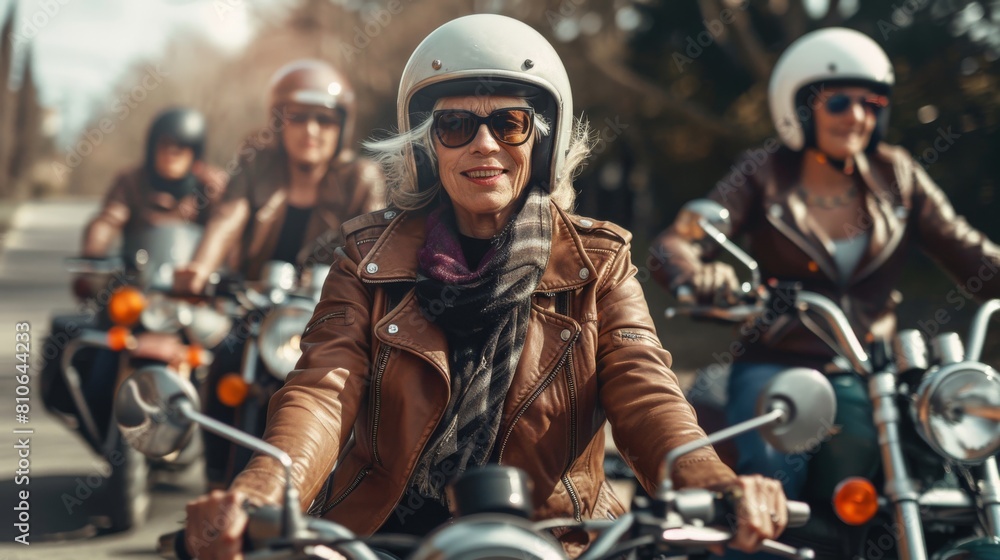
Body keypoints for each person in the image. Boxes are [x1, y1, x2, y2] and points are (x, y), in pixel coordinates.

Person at [184, 15, 787, 560]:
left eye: (510, 121)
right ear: (427, 146)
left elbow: (646, 392)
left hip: (556, 540)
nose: (484, 144)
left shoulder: (598, 263)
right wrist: (265, 485)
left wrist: (711, 480)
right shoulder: (366, 260)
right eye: (454, 125)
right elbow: (323, 389)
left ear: (542, 140)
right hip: (387, 538)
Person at [653, 27, 1000, 558]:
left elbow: (966, 248)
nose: (857, 116)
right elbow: (683, 240)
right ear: (801, 106)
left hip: (873, 370)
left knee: (956, 446)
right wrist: (697, 272)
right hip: (779, 360)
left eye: (871, 102)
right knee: (770, 473)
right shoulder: (763, 173)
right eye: (839, 101)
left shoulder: (896, 174)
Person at [174, 59, 385, 294]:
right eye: (297, 117)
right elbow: (228, 217)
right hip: (248, 309)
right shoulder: (256, 163)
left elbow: (375, 258)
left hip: (328, 318)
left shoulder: (360, 180)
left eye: (324, 119)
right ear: (278, 123)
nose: (310, 130)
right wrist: (201, 268)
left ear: (342, 127)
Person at [81, 107, 227, 258]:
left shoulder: (211, 186)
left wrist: (208, 267)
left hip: (193, 274)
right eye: (165, 146)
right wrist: (93, 253)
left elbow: (223, 227)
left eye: (180, 148)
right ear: (152, 148)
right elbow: (108, 220)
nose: (171, 155)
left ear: (194, 153)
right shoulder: (131, 182)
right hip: (140, 274)